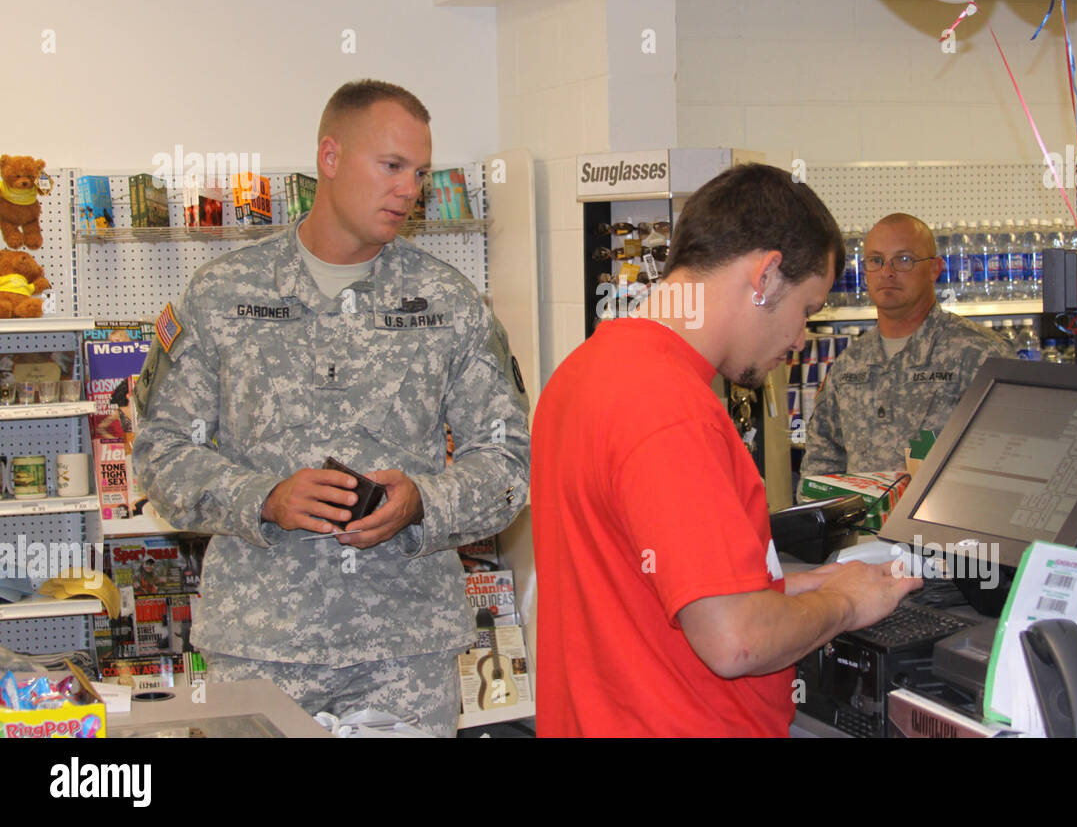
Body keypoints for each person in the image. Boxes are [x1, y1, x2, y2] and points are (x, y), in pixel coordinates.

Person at [132, 79, 531, 736]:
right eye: (392, 166)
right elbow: (161, 456)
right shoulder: (221, 296)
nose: (411, 188)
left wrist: (423, 502)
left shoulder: (448, 302)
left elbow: (510, 464)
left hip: (405, 652)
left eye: (422, 172)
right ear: (330, 157)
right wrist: (262, 497)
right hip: (262, 649)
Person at [530, 164, 921, 737]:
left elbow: (647, 591)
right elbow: (736, 641)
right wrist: (847, 607)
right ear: (764, 275)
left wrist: (792, 593)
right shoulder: (672, 409)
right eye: (806, 312)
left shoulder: (583, 372)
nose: (797, 341)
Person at [802, 213, 1014, 480]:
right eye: (876, 260)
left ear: (935, 269)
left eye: (904, 260)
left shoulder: (980, 355)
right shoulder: (849, 364)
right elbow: (822, 462)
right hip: (866, 522)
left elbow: (1009, 462)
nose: (887, 272)